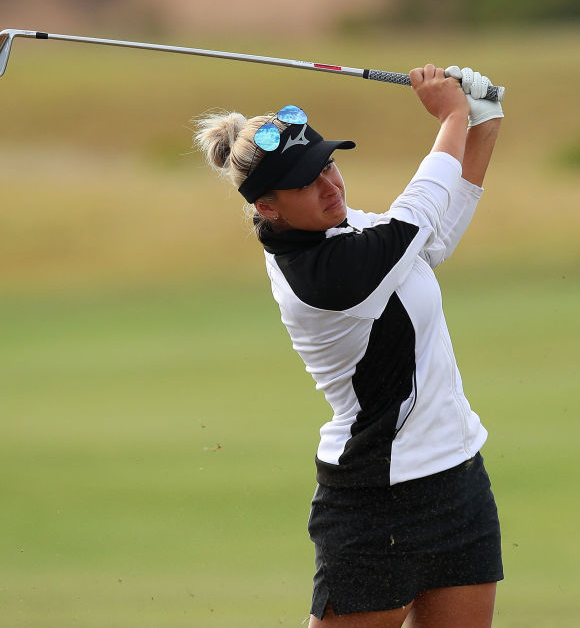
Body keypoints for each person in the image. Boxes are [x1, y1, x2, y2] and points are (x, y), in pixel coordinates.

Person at [194, 64, 504, 627]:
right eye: (308, 182)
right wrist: (453, 115)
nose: (331, 184)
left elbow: (431, 238)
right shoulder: (320, 276)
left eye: (329, 165)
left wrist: (483, 122)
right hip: (373, 500)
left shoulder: (346, 232)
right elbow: (415, 220)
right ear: (268, 207)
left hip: (457, 480)